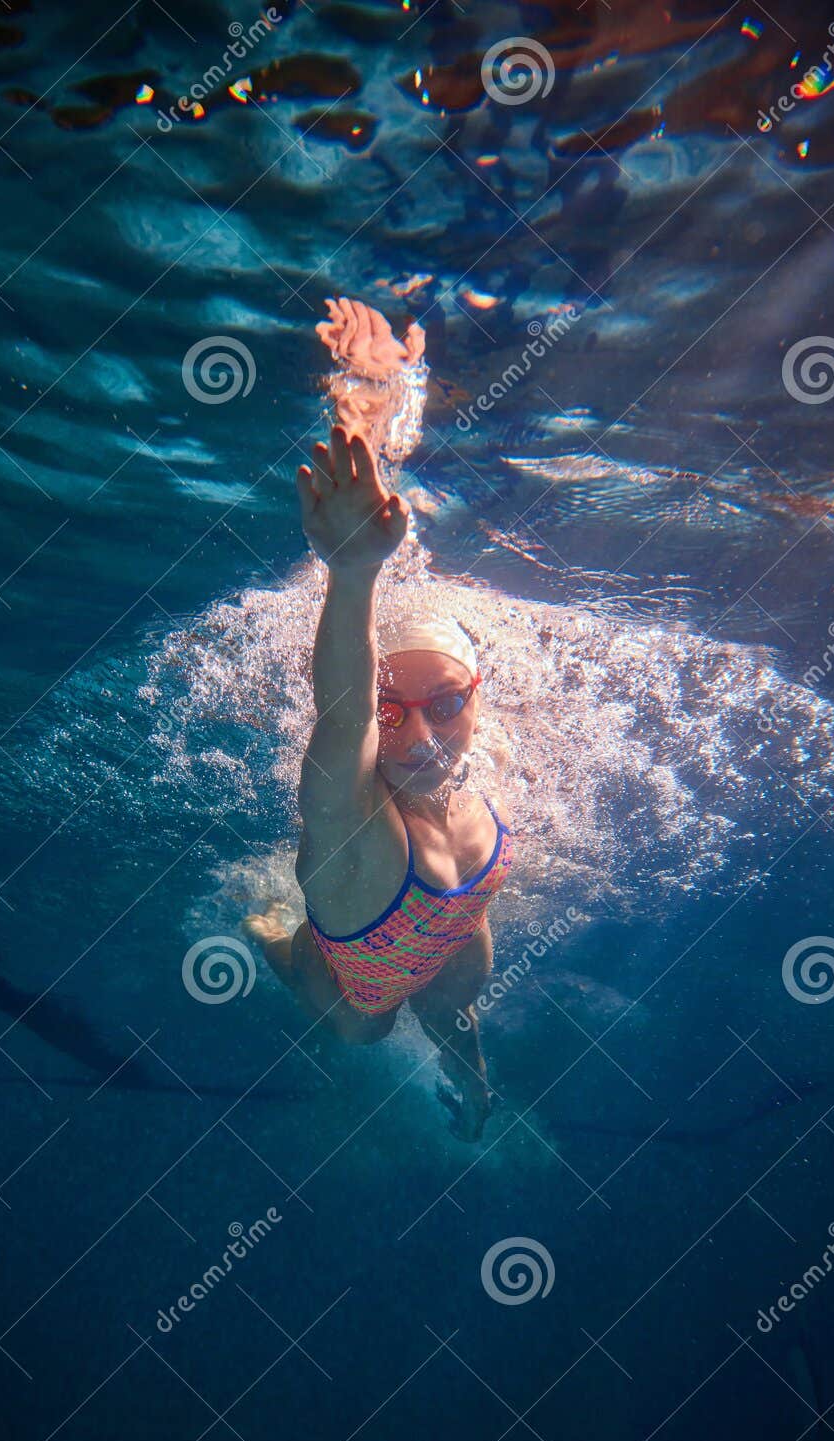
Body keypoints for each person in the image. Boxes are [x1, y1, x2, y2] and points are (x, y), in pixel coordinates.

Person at [243, 298, 514, 1141]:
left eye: (446, 706)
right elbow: (341, 712)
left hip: (444, 949)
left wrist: (472, 1081)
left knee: (451, 995)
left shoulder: (484, 756)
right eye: (392, 711)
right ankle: (272, 933)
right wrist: (353, 571)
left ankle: (467, 1086)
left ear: (477, 696)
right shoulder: (349, 816)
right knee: (365, 1028)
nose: (424, 738)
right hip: (353, 975)